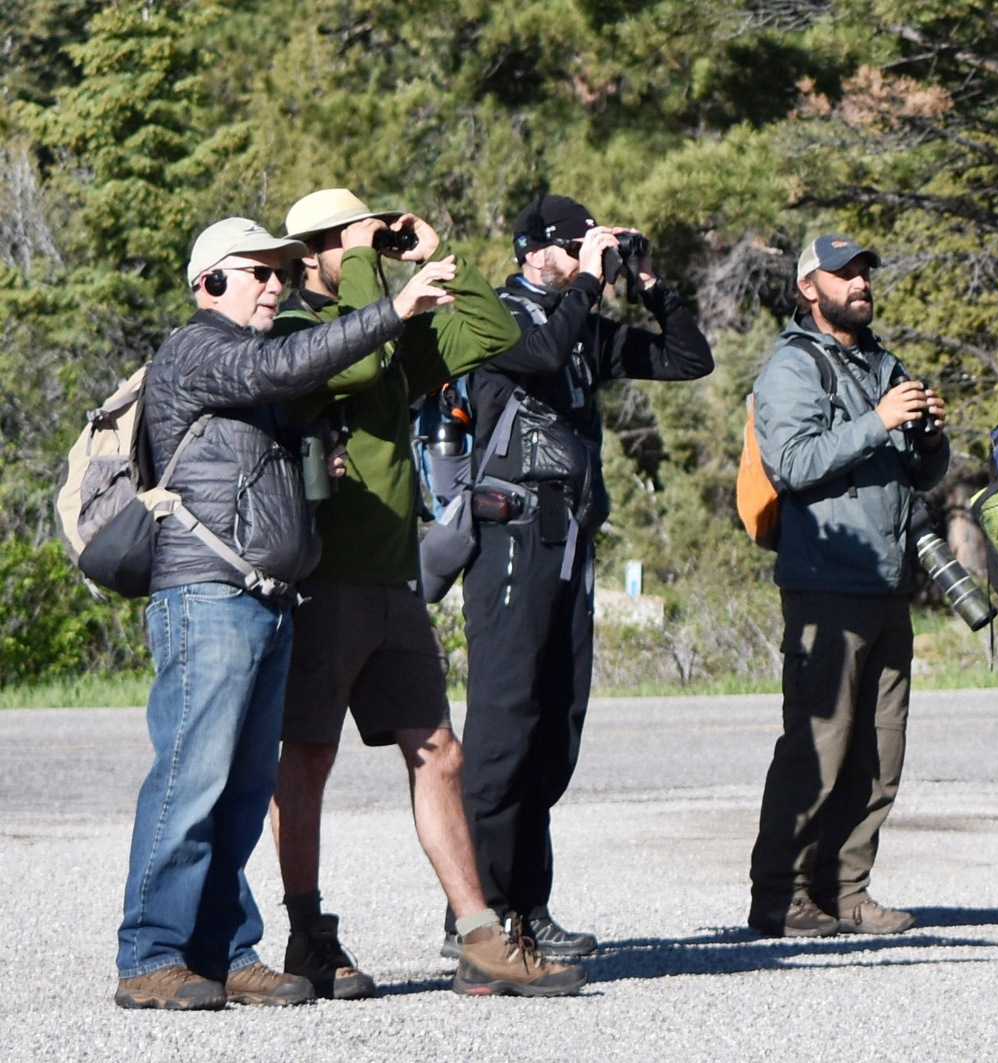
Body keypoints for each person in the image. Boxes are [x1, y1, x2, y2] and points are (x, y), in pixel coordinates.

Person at [115, 217, 455, 1010]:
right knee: (190, 779)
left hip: (266, 599)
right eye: (258, 272)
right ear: (208, 283)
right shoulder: (197, 348)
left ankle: (224, 951)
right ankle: (149, 954)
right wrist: (392, 308)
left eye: (282, 272)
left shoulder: (252, 371)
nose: (276, 284)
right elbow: (284, 365)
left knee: (241, 790)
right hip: (206, 595)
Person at [266, 188, 584, 999]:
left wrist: (442, 258)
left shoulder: (388, 319)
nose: (369, 246)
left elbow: (496, 335)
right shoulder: (293, 332)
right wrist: (370, 266)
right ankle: (307, 933)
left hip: (393, 579)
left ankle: (480, 933)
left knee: (439, 751)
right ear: (311, 253)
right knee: (308, 756)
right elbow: (358, 362)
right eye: (350, 238)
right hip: (324, 579)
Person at [449, 194, 714, 957]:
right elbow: (536, 356)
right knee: (504, 730)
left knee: (554, 730)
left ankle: (528, 905)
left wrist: (652, 285)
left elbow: (689, 359)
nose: (586, 258)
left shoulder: (581, 325)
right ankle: (478, 915)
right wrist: (590, 285)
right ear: (534, 250)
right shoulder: (496, 316)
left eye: (591, 246)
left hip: (569, 540)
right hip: (510, 540)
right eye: (574, 246)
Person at [747, 233, 950, 938]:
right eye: (844, 274)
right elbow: (792, 462)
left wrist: (928, 438)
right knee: (819, 747)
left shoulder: (883, 363)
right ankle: (780, 893)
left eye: (865, 272)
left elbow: (919, 473)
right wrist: (879, 421)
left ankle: (847, 890)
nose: (860, 283)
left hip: (886, 582)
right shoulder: (792, 367)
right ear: (809, 288)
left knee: (879, 753)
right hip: (825, 584)